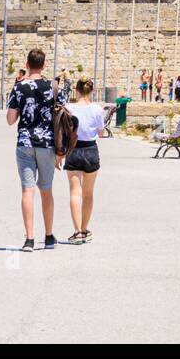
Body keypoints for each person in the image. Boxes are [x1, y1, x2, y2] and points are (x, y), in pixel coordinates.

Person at [6, 48, 67, 252]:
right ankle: (48, 236)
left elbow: (10, 120)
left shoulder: (19, 87)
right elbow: (63, 116)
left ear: (27, 64)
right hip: (47, 145)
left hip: (25, 143)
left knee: (27, 190)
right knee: (46, 190)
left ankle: (29, 239)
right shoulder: (54, 87)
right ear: (44, 65)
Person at [64, 78, 105, 244]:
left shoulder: (69, 108)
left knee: (75, 192)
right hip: (90, 150)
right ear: (91, 91)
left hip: (73, 149)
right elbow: (101, 133)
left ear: (77, 90)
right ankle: (84, 228)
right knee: (88, 194)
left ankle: (77, 232)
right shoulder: (97, 109)